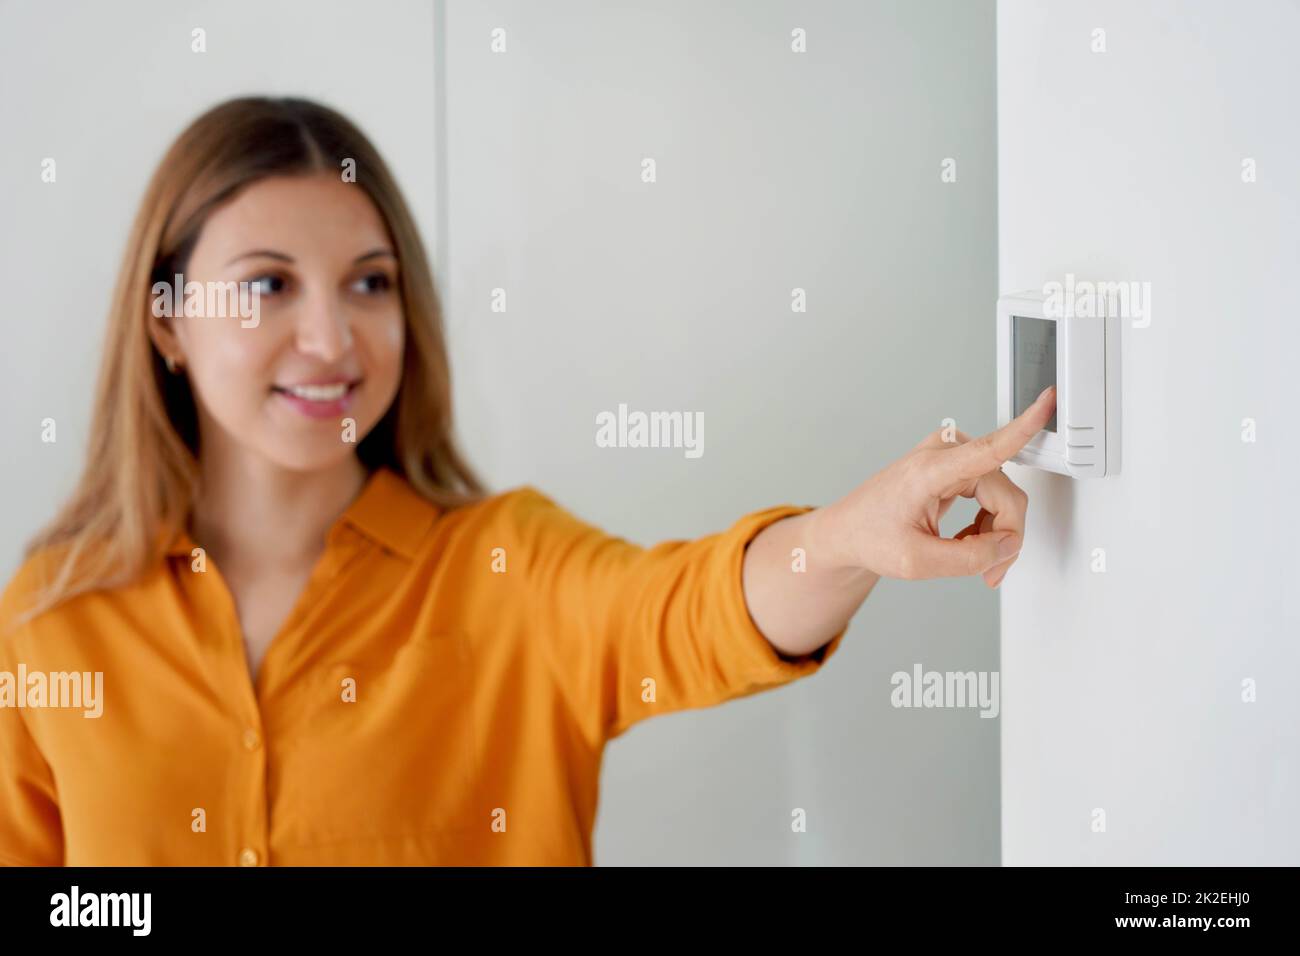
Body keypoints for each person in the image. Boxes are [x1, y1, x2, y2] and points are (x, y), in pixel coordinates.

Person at [0, 97, 1054, 866]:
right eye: (267, 284)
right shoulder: (51, 619)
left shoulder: (504, 566)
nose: (330, 337)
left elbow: (676, 612)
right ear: (166, 322)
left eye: (371, 283)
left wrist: (841, 538)